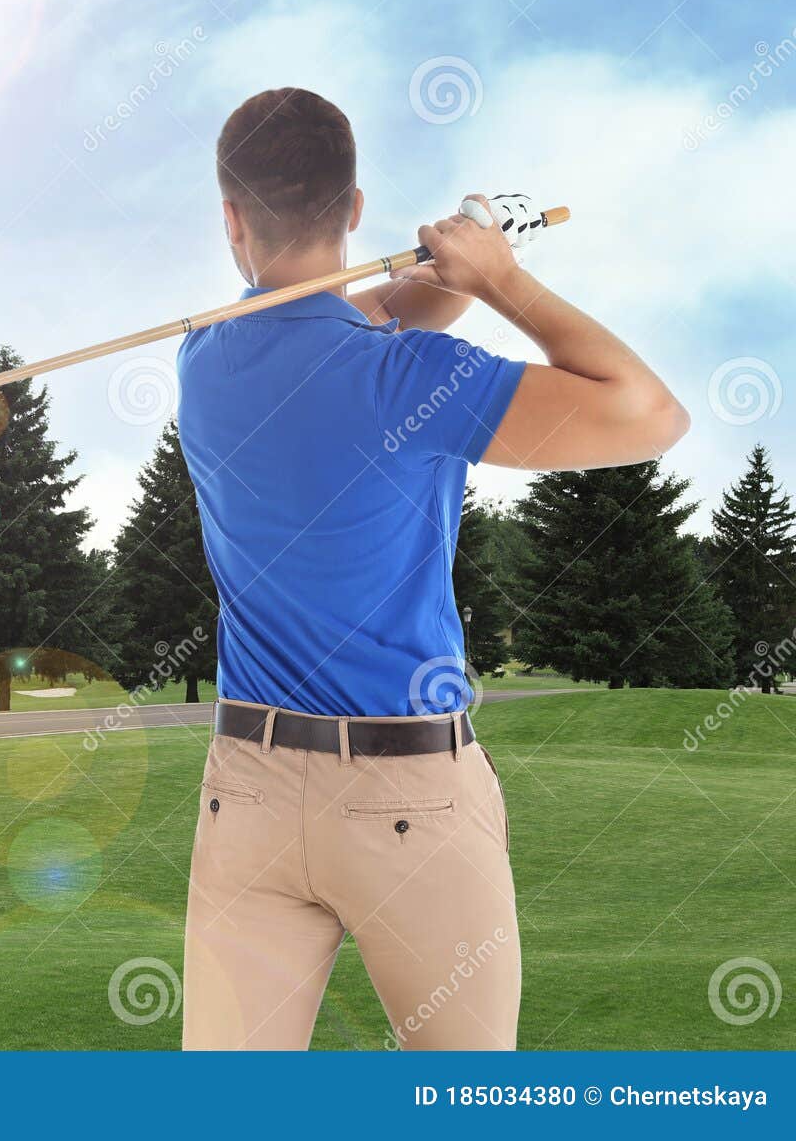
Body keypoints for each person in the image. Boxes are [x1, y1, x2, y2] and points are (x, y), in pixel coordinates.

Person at [178, 87, 688, 1050]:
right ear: (357, 207)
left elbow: (370, 314)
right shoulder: (417, 377)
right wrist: (500, 277)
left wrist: (457, 259)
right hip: (408, 796)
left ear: (232, 218)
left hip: (243, 790)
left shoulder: (205, 354)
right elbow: (650, 413)